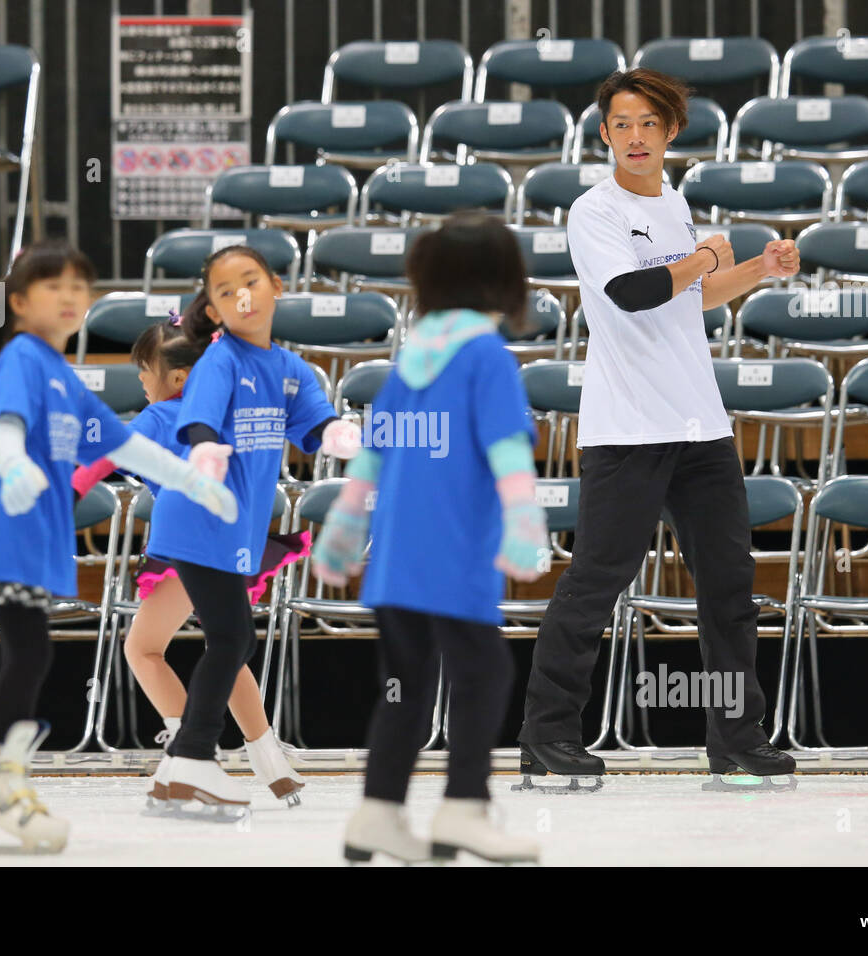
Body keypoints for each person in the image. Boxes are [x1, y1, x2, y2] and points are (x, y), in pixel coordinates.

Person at [517, 68, 800, 787]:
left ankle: (737, 738)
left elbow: (693, 296)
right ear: (604, 133)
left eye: (649, 123)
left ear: (671, 132)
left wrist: (759, 270)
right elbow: (637, 292)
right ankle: (547, 734)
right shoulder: (595, 212)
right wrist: (705, 255)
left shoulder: (674, 203)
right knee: (595, 583)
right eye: (622, 124)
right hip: (627, 430)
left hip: (701, 425)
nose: (635, 136)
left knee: (729, 589)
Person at [0, 240, 237, 851]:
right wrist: (10, 465)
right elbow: (6, 423)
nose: (69, 298)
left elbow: (122, 447)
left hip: (39, 527)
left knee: (30, 655)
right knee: (28, 654)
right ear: (22, 302)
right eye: (54, 287)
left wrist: (190, 479)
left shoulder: (60, 372)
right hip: (3, 516)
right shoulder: (23, 357)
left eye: (79, 288)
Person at [314, 214, 548, 864]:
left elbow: (369, 460)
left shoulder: (409, 359)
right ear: (506, 281)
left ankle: (377, 814)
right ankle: (464, 809)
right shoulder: (484, 355)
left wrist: (342, 526)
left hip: (394, 559)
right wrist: (526, 523)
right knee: (486, 673)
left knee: (405, 689)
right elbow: (506, 449)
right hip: (453, 553)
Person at [144, 244, 359, 821]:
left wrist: (340, 436)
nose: (241, 293)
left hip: (235, 527)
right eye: (224, 289)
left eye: (251, 280)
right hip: (197, 518)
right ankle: (192, 754)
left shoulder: (290, 369)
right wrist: (205, 446)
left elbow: (315, 425)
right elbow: (199, 419)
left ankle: (175, 773)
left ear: (275, 288)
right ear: (213, 311)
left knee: (231, 639)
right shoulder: (222, 360)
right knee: (232, 639)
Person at [71, 314, 307, 805]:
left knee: (153, 648)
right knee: (229, 644)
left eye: (144, 370)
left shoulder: (163, 415)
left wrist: (70, 488)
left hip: (190, 541)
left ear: (178, 378)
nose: (139, 379)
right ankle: (264, 758)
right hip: (227, 539)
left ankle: (189, 753)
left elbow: (105, 453)